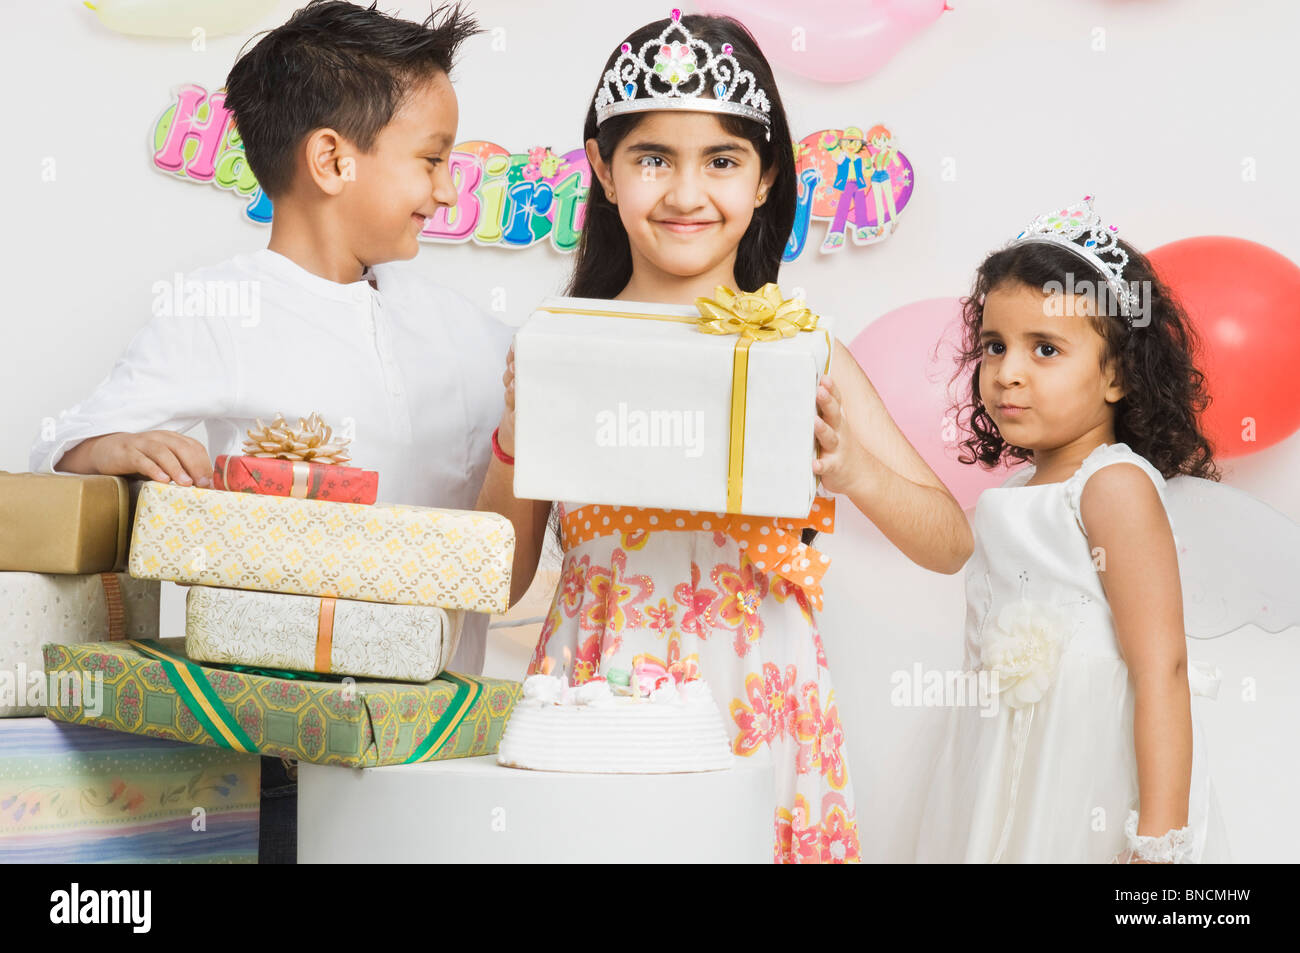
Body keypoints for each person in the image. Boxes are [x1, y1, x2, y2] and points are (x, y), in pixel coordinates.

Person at [476, 10, 972, 863]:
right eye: (652, 158)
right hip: (596, 702)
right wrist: (516, 440)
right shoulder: (562, 341)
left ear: (768, 175)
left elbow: (950, 542)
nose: (685, 193)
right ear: (602, 167)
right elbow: (503, 579)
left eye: (723, 160)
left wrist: (854, 469)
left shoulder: (801, 347)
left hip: (759, 703)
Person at [31, 0, 509, 863]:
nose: (446, 188)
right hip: (282, 756)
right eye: (432, 160)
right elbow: (65, 444)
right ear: (331, 158)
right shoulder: (219, 311)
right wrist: (104, 450)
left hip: (443, 745)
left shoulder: (466, 333)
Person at [914, 196, 1233, 862]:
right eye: (995, 346)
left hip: (1086, 773)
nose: (1009, 372)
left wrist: (1158, 835)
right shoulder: (1011, 496)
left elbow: (1162, 668)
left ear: (1116, 371)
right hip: (1010, 765)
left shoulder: (1111, 485)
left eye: (1046, 349)